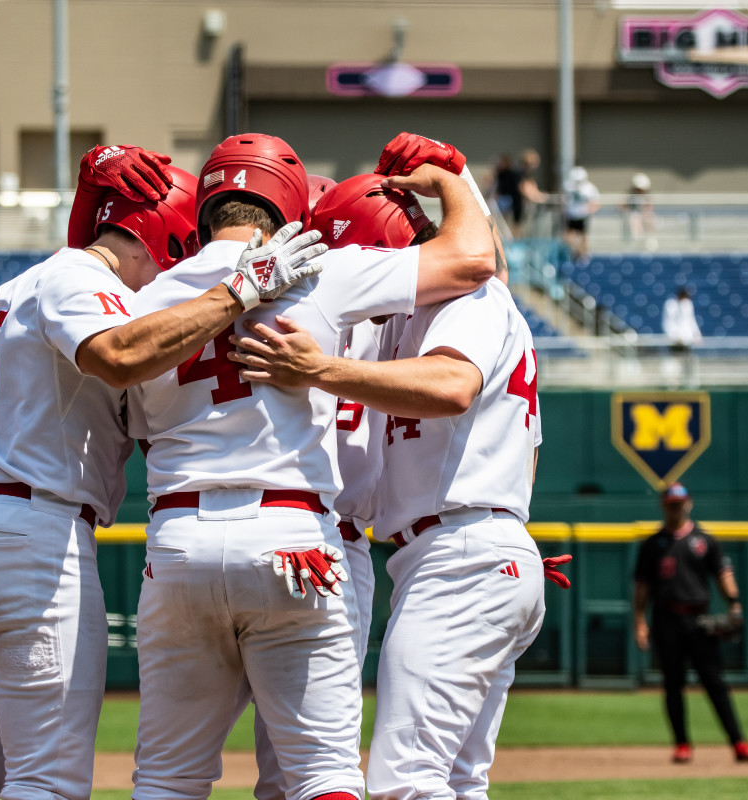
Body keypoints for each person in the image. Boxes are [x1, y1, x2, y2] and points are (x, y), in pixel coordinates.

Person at [0, 148, 326, 800]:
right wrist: (240, 290)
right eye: (178, 251)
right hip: (32, 537)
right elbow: (120, 353)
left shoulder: (39, 277)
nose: (175, 272)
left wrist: (91, 196)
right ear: (160, 237)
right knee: (46, 781)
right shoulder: (80, 280)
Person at [128, 132, 495, 800]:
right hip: (294, 539)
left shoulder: (148, 299)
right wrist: (451, 178)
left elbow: (132, 425)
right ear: (292, 204)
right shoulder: (323, 274)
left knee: (166, 778)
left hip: (177, 540)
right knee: (322, 774)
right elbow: (473, 260)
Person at [232, 137, 567, 800]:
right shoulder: (459, 305)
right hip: (477, 548)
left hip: (461, 554)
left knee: (404, 782)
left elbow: (452, 385)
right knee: (457, 782)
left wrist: (319, 369)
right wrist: (459, 181)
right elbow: (483, 265)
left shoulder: (467, 303)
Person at [245, 169, 440, 800]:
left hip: (272, 522)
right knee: (318, 759)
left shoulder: (279, 301)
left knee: (270, 759)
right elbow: (479, 270)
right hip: (327, 535)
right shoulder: (386, 311)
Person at [632, 483, 748, 765]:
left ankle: (739, 743)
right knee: (673, 684)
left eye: (679, 503)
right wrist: (640, 621)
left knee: (715, 683)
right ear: (664, 505)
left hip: (699, 619)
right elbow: (641, 587)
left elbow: (722, 573)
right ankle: (682, 744)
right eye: (671, 504)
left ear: (688, 503)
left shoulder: (705, 539)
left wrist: (734, 603)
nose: (675, 508)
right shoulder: (652, 544)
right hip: (666, 618)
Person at [562, 165, 600, 263]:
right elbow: (564, 199)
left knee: (584, 237)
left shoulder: (589, 188)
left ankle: (584, 255)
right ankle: (578, 251)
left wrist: (589, 210)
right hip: (571, 215)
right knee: (568, 237)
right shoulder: (568, 186)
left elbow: (596, 201)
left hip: (583, 215)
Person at [621, 172, 656, 250]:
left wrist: (644, 213)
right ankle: (634, 242)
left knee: (649, 218)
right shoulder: (628, 196)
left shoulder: (647, 197)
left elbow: (649, 207)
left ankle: (649, 241)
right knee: (634, 220)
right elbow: (621, 206)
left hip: (643, 216)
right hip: (632, 216)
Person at [663, 287, 702, 352]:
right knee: (675, 355)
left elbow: (691, 321)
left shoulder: (688, 304)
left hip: (686, 338)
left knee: (686, 354)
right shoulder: (670, 305)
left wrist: (697, 335)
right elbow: (668, 323)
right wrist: (674, 337)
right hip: (674, 340)